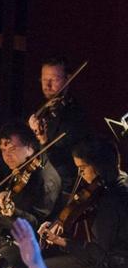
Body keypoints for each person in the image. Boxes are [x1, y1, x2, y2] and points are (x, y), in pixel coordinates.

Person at [38, 137, 128, 268]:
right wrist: (58, 224)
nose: (80, 175)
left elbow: (99, 253)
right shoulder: (119, 179)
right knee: (42, 267)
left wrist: (62, 241)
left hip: (116, 267)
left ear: (99, 167)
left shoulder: (113, 198)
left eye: (82, 168)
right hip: (105, 256)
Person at [0, 122, 61, 268]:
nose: (7, 156)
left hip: (24, 243)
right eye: (3, 150)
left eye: (12, 149)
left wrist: (13, 212)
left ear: (30, 146)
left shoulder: (46, 180)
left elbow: (36, 225)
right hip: (3, 229)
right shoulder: (13, 161)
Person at [27, 56, 91, 188]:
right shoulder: (43, 109)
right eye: (44, 79)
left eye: (54, 80)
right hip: (39, 181)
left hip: (63, 186)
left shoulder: (75, 114)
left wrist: (42, 138)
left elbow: (64, 164)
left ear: (68, 79)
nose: (47, 85)